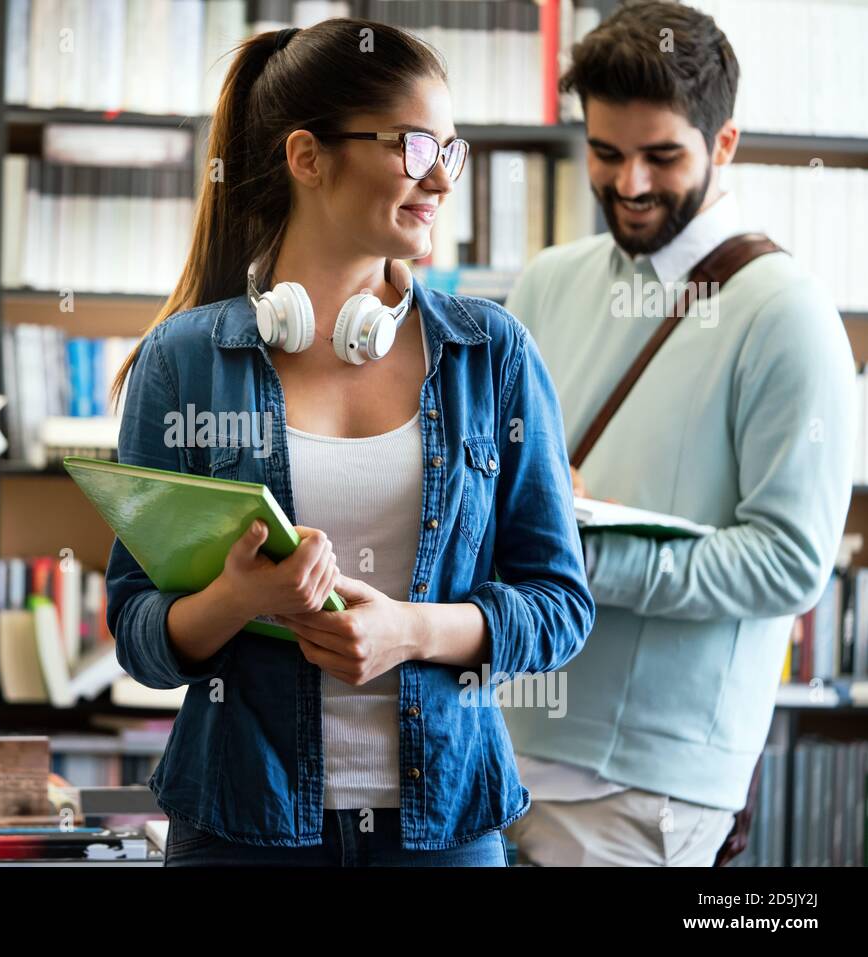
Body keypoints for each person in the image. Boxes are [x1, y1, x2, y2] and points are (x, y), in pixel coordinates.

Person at [104, 19, 594, 866]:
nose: (441, 177)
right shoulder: (183, 361)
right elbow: (136, 630)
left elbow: (560, 604)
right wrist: (238, 599)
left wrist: (413, 631)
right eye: (412, 146)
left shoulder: (491, 353)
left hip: (443, 826)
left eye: (452, 149)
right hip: (240, 826)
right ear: (308, 157)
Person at [501, 1, 855, 866]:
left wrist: (579, 558)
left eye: (662, 156)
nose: (628, 185)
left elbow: (789, 563)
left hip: (649, 788)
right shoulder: (550, 280)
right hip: (500, 747)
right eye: (606, 152)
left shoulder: (788, 313)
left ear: (723, 143)